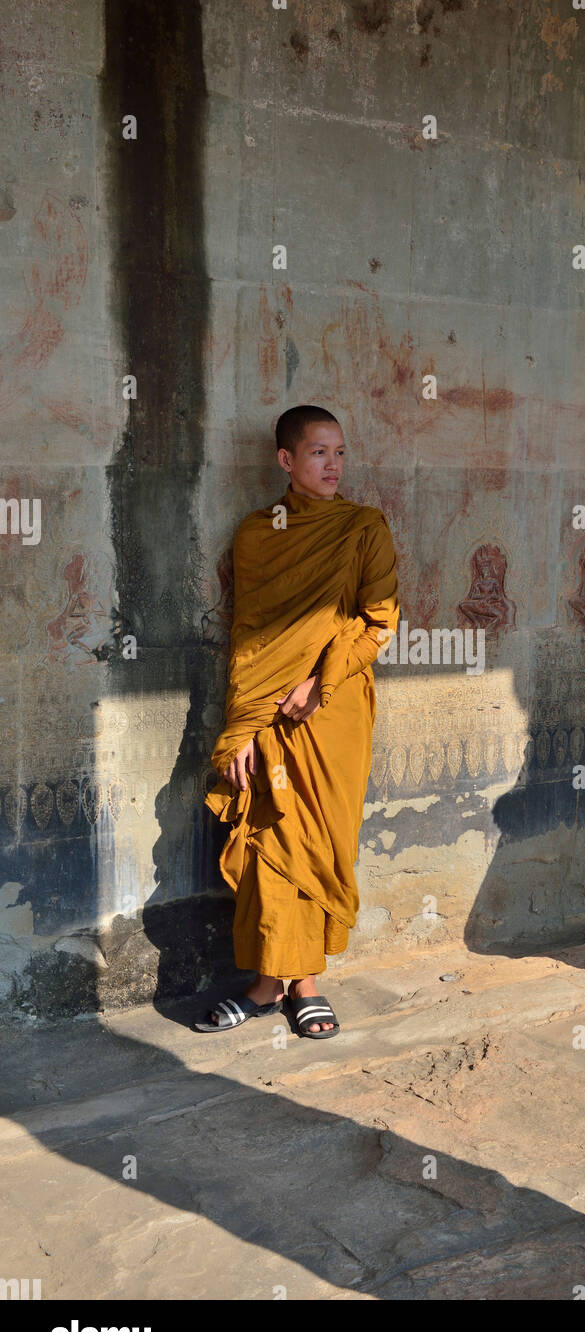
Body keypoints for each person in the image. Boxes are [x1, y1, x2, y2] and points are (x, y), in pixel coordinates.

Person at [198, 405, 399, 1036]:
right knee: (270, 834)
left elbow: (379, 623)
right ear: (286, 460)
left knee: (320, 841)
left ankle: (306, 983)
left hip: (332, 714)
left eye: (339, 452)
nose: (333, 465)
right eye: (318, 453)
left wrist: (322, 681)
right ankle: (264, 985)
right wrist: (240, 726)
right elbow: (249, 637)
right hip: (266, 714)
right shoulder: (259, 534)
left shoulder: (365, 528)